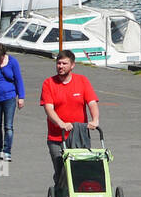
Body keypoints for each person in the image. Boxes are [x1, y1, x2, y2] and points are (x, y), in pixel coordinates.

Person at [40, 50, 99, 180]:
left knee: (81, 171)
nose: (60, 66)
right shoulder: (49, 83)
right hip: (57, 137)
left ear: (72, 65)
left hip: (79, 135)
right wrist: (61, 123)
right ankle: (60, 196)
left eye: (64, 63)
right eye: (58, 63)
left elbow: (92, 102)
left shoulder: (82, 81)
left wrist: (95, 120)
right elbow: (49, 108)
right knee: (62, 172)